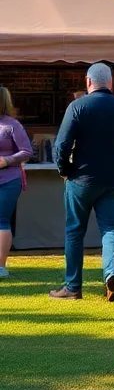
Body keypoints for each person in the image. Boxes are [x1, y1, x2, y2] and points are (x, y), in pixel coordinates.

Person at [50, 63, 114, 301]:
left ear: (88, 82)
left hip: (81, 178)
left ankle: (73, 287)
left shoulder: (77, 107)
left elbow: (61, 145)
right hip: (113, 178)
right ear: (110, 82)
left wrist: (65, 169)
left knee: (74, 232)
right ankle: (110, 274)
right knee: (111, 229)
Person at [0, 86, 33, 279]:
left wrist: (6, 160)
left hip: (8, 180)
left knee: (1, 220)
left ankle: (1, 266)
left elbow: (27, 151)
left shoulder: (12, 125)